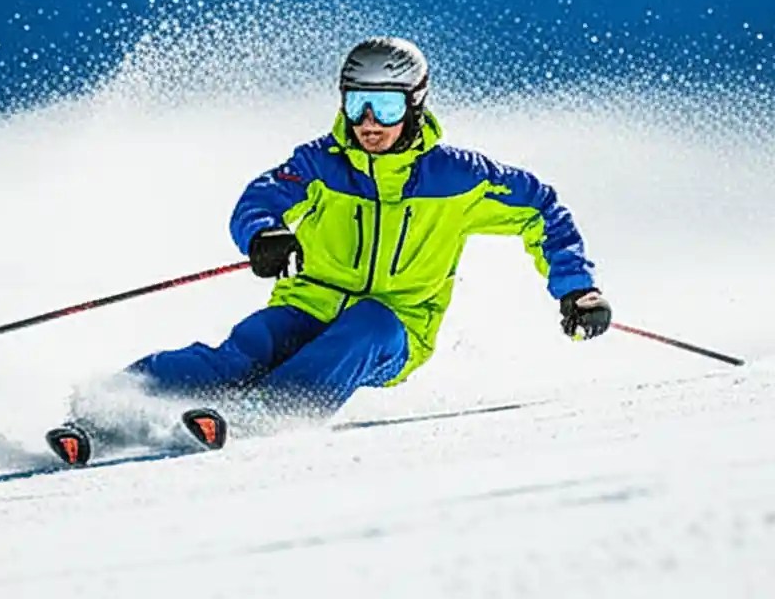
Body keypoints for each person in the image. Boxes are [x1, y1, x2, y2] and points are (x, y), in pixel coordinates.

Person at [46, 37, 611, 466]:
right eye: (357, 103)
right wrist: (264, 234)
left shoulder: (457, 178)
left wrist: (578, 290)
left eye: (384, 107)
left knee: (366, 325)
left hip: (397, 327)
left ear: (414, 105)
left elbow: (543, 211)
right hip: (308, 304)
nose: (368, 123)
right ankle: (109, 409)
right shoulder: (321, 163)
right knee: (247, 350)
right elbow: (262, 197)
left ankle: (264, 413)